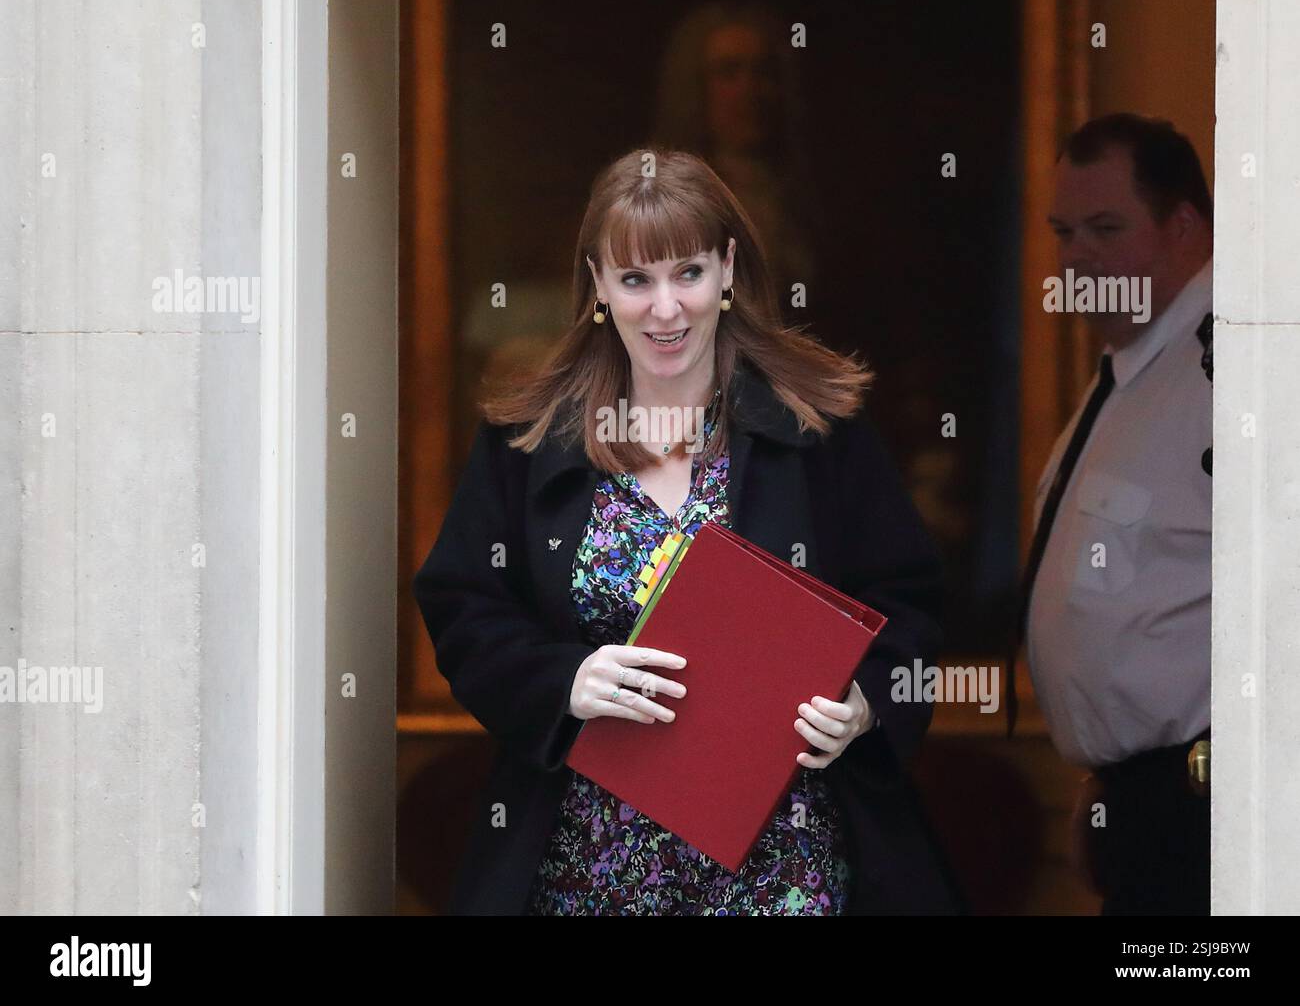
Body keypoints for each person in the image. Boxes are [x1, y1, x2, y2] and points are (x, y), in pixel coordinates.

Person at [413, 146, 964, 915]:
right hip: (587, 868)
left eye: (689, 273)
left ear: (728, 268)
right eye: (636, 279)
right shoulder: (531, 436)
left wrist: (868, 702)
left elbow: (908, 598)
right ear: (598, 283)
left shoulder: (817, 426)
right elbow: (463, 604)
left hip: (786, 869)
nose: (665, 308)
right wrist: (561, 680)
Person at [1018, 114, 1213, 915]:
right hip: (1140, 808)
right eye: (1064, 231)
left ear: (1183, 225)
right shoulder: (1129, 372)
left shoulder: (1231, 369)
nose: (1076, 256)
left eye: (1104, 228)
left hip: (1207, 812)